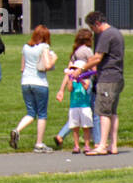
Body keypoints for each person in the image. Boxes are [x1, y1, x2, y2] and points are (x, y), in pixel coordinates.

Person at [81, 11, 125, 156]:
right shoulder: (117, 33)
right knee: (112, 112)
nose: (93, 31)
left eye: (92, 27)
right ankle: (113, 145)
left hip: (107, 78)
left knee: (103, 112)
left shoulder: (106, 35)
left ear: (97, 23)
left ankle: (102, 145)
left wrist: (80, 70)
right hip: (117, 77)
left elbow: (97, 58)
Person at [11, 25, 57, 153]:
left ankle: (17, 130)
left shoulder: (26, 47)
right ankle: (39, 144)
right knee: (42, 114)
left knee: (31, 112)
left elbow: (22, 67)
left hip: (26, 82)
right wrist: (54, 59)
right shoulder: (44, 47)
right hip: (40, 83)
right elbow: (47, 65)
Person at [53, 28, 99, 150]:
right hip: (86, 83)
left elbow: (69, 73)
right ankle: (96, 141)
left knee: (77, 112)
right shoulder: (88, 51)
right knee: (89, 113)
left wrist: (61, 90)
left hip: (75, 85)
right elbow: (93, 67)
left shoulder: (75, 52)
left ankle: (62, 135)